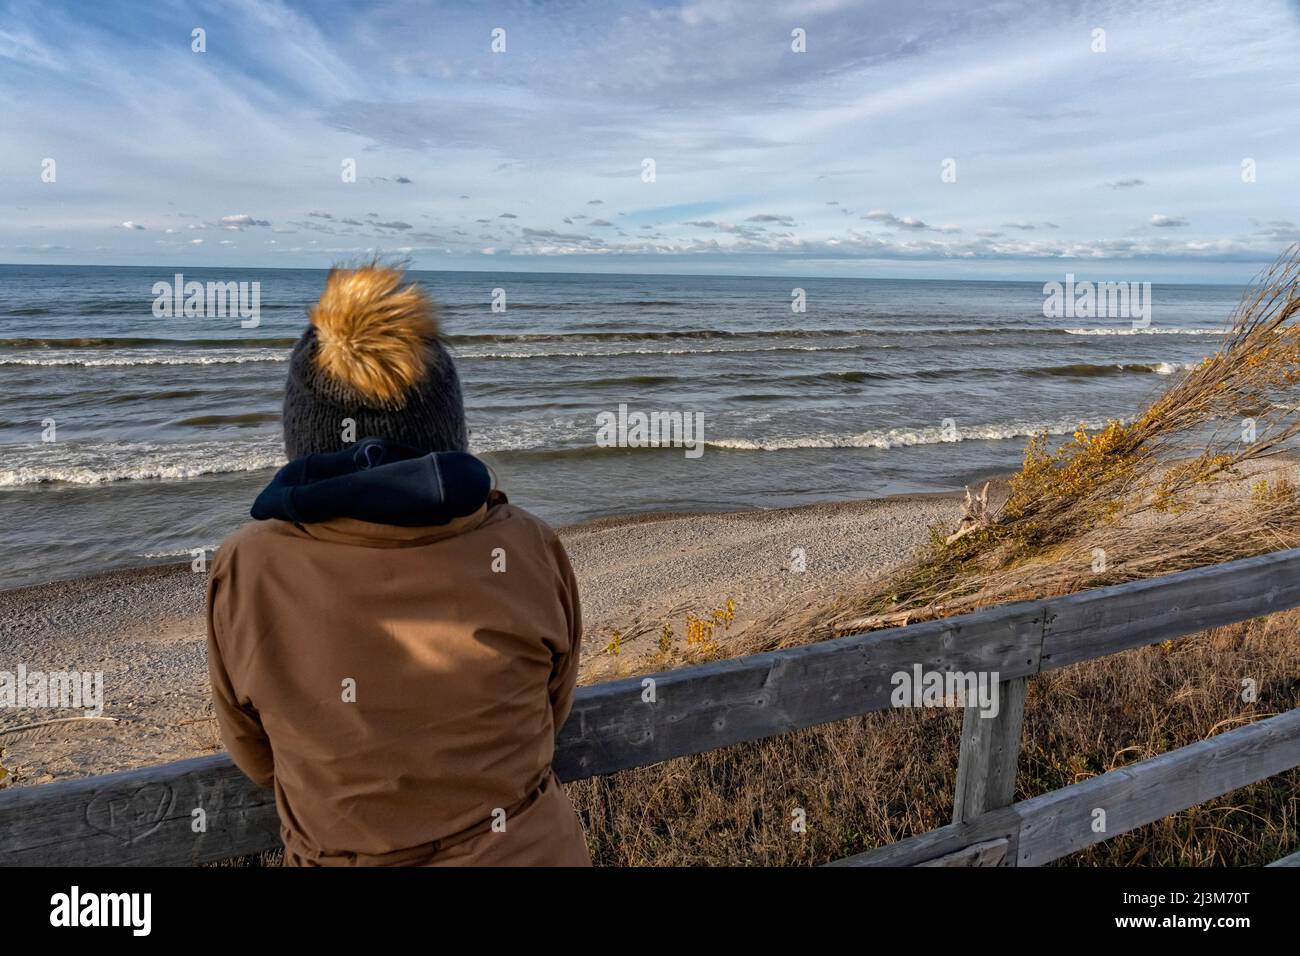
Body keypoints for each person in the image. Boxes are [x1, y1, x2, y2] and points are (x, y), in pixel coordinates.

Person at [205, 263, 591, 866]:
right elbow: (553, 705)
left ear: (302, 440)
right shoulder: (526, 545)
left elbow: (256, 754)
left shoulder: (248, 568)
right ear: (449, 432)